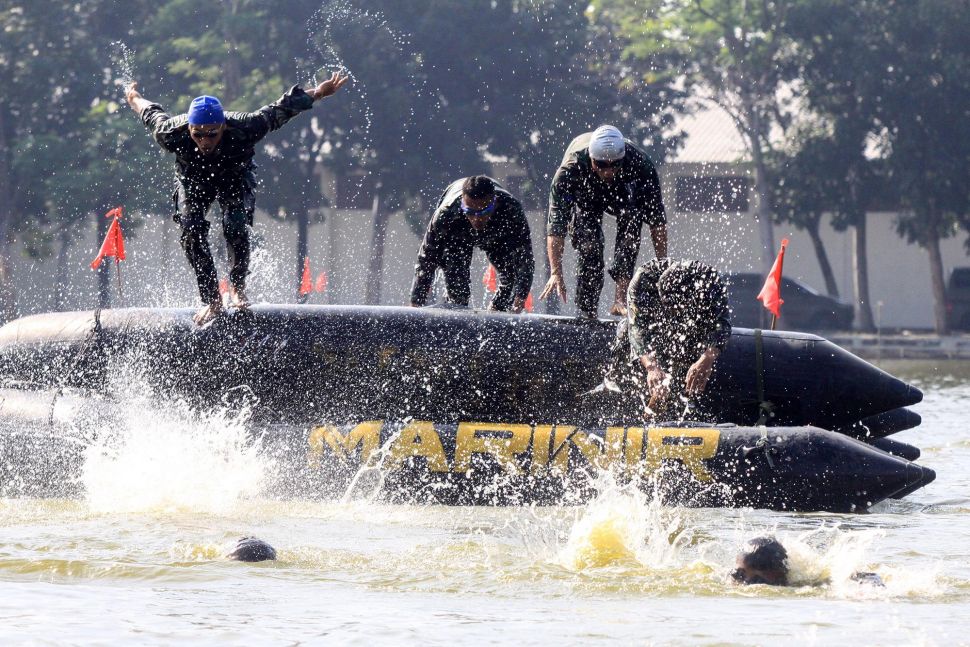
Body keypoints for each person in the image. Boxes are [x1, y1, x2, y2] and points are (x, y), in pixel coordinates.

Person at [125, 72, 349, 326]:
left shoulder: (245, 126)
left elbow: (280, 108)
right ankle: (211, 299)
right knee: (190, 230)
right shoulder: (172, 132)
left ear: (223, 126)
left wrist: (318, 92)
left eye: (212, 134)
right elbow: (150, 113)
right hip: (192, 180)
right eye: (198, 134)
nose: (204, 141)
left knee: (235, 225)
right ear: (189, 127)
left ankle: (237, 288)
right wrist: (133, 96)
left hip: (235, 177)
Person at [540, 125, 668, 318]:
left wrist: (662, 266)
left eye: (614, 164)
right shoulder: (570, 170)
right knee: (590, 246)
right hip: (586, 195)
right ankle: (587, 309)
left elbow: (657, 221)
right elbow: (555, 228)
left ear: (622, 159)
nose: (608, 171)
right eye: (601, 165)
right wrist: (556, 272)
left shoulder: (641, 165)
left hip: (624, 193)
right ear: (591, 158)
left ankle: (620, 299)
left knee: (632, 219)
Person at [409, 176, 534, 312]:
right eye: (470, 212)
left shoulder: (511, 209)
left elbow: (525, 257)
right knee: (458, 292)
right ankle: (453, 323)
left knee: (512, 283)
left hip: (496, 234)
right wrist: (416, 302)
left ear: (495, 202)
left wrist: (521, 296)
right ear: (463, 203)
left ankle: (495, 317)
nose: (476, 219)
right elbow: (426, 258)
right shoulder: (447, 213)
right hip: (457, 235)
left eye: (483, 212)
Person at [626, 258, 731, 419]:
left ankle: (690, 405)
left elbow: (722, 324)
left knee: (695, 355)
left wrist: (707, 358)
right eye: (668, 306)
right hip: (655, 325)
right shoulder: (643, 280)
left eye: (675, 308)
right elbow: (636, 329)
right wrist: (652, 367)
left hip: (694, 324)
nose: (673, 312)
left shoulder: (709, 281)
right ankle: (648, 407)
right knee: (624, 334)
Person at [732, 536, 884, 587]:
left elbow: (867, 577)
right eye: (737, 574)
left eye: (755, 580)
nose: (741, 583)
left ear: (776, 574)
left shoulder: (806, 583)